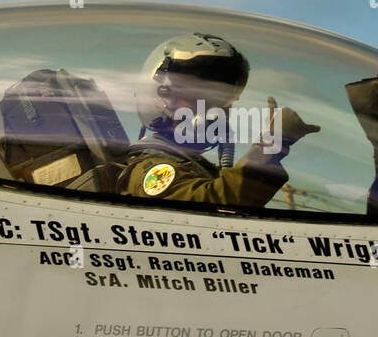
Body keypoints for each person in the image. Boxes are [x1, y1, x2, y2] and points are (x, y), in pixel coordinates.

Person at [118, 32, 319, 207]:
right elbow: (217, 207)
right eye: (195, 99)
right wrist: (273, 143)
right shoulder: (149, 168)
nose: (215, 112)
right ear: (159, 101)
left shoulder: (194, 166)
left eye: (217, 101)